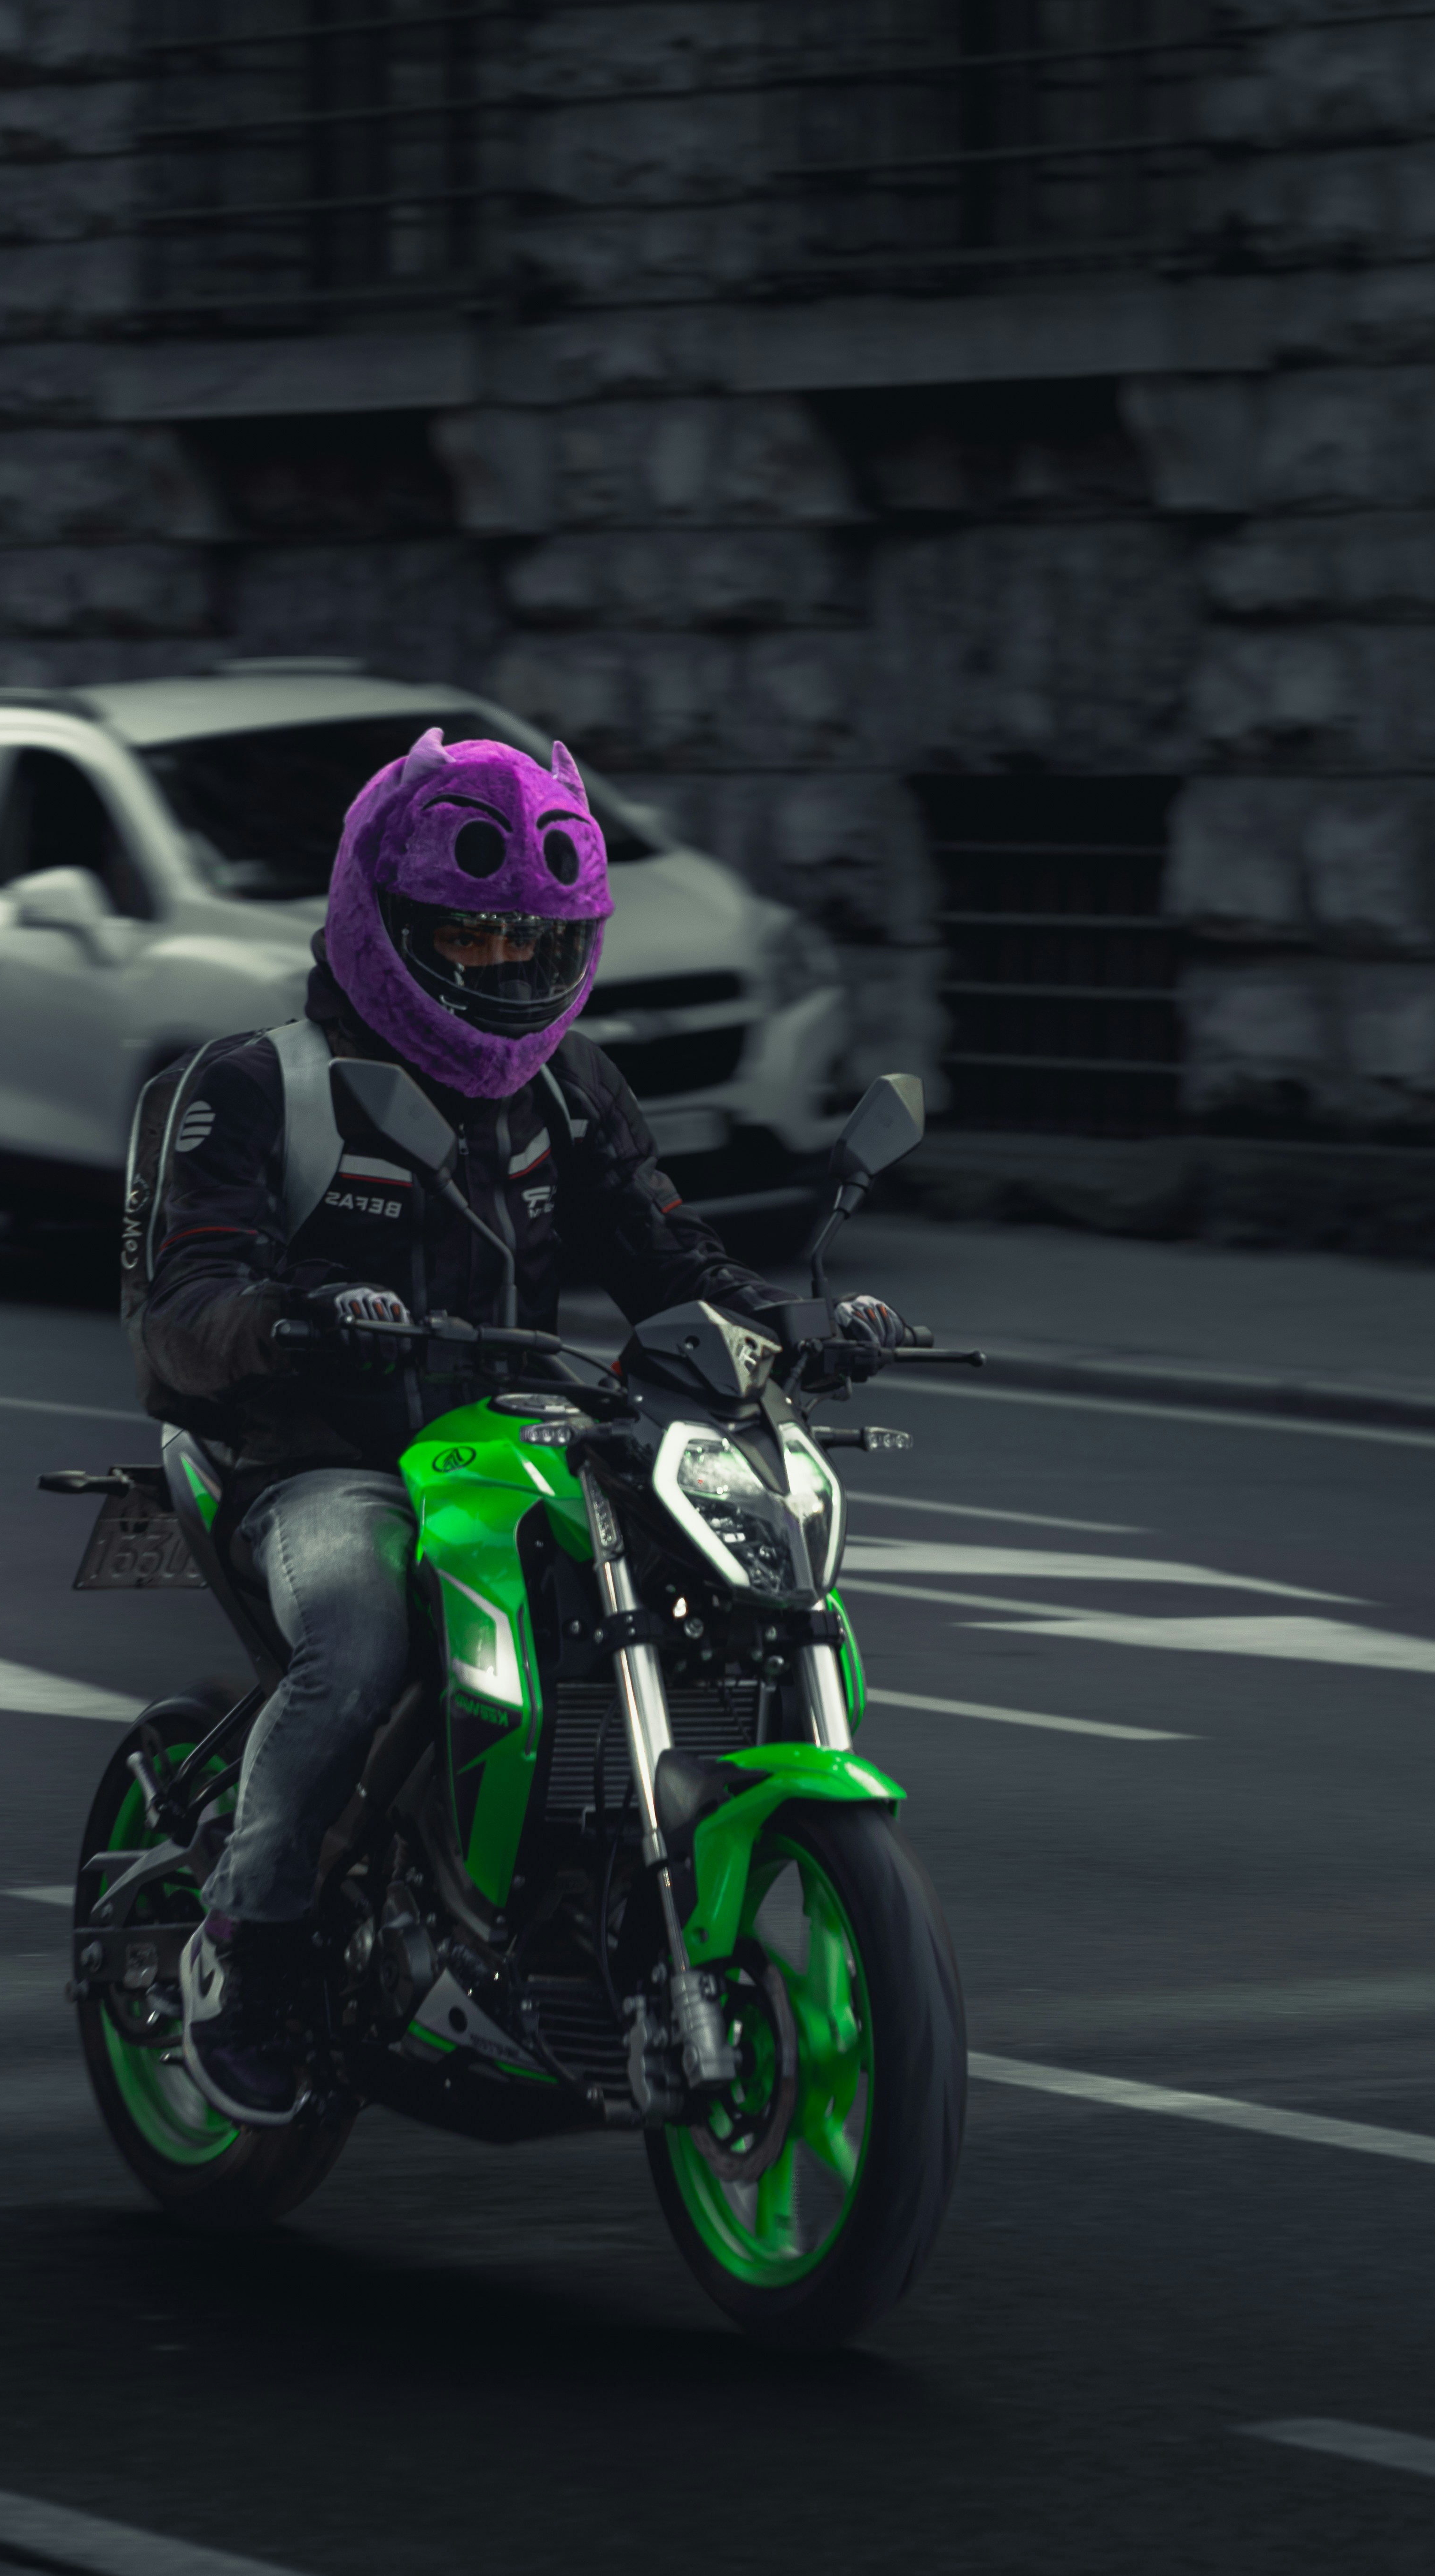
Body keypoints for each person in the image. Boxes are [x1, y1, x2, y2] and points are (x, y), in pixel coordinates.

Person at [140, 726, 911, 2125]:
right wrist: (293, 1319)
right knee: (365, 1636)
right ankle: (246, 1951)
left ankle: (577, 1903)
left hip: (519, 1447)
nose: (510, 974)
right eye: (475, 942)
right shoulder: (261, 1086)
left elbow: (671, 1259)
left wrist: (805, 1321)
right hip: (322, 1462)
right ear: (391, 920)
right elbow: (186, 1300)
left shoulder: (569, 1087)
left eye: (537, 948)